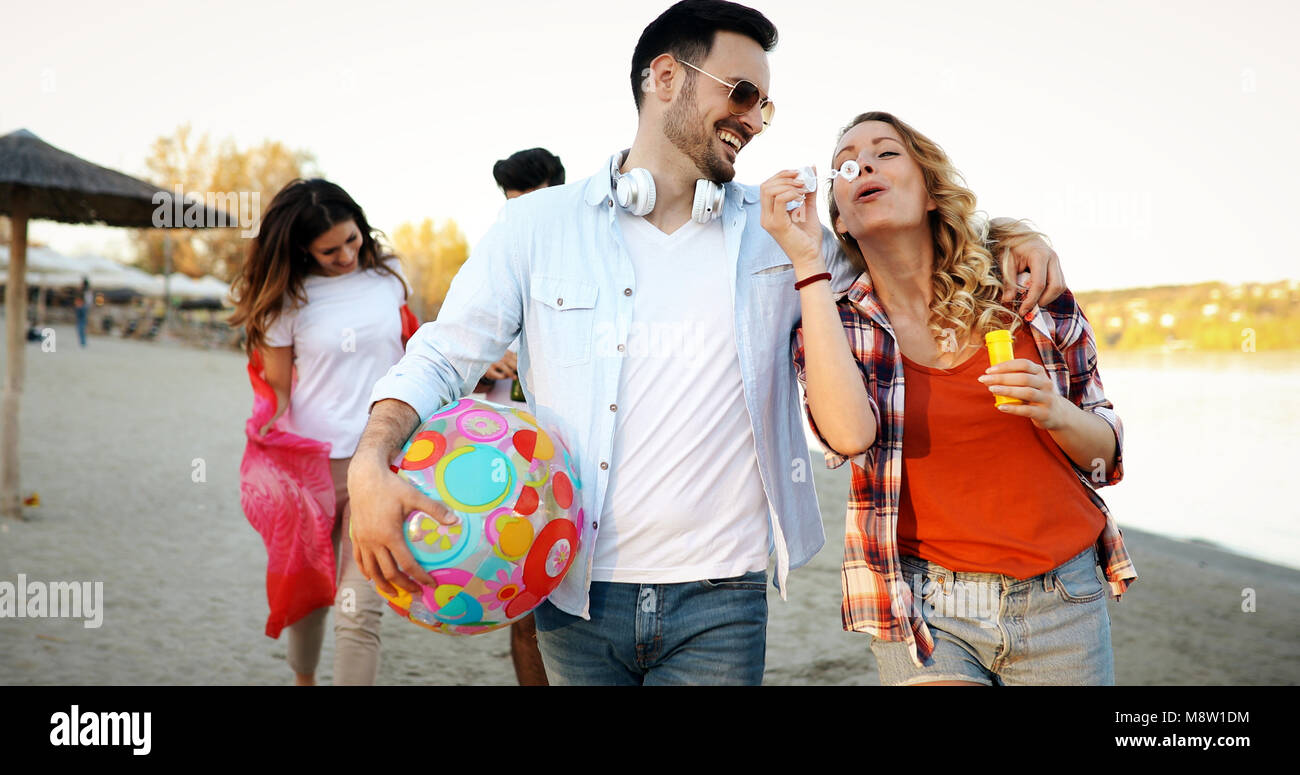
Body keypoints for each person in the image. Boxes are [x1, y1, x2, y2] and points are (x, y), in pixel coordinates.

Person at [347, 0, 1065, 686]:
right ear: (664, 78)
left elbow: (907, 250)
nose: (754, 120)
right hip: (574, 589)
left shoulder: (781, 230)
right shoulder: (536, 227)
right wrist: (370, 461)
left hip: (723, 597)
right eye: (743, 93)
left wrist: (1008, 236)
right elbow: (443, 355)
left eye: (764, 106)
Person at [760, 111, 1138, 685]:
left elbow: (1104, 459)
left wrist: (1056, 412)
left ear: (932, 192)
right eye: (847, 161)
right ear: (839, 216)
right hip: (929, 607)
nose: (863, 164)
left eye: (886, 152)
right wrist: (808, 262)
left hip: (1064, 598)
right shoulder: (836, 323)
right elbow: (849, 436)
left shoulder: (1025, 287)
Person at [229, 178, 417, 686]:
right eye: (329, 250)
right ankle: (304, 681)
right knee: (309, 593)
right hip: (310, 469)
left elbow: (412, 352)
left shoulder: (390, 277)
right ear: (301, 249)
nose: (346, 255)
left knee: (360, 608)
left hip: (380, 461)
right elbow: (279, 390)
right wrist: (265, 439)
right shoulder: (286, 302)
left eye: (352, 240)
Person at [477, 146, 567, 686]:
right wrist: (486, 362)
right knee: (524, 606)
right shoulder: (499, 257)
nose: (524, 217)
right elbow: (460, 352)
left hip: (578, 453)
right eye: (514, 206)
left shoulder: (597, 251)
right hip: (516, 458)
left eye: (532, 204)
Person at [74, 277, 91, 348]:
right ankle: (82, 342)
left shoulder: (82, 290)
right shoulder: (87, 291)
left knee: (80, 324)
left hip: (80, 307)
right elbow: (89, 301)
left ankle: (82, 342)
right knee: (82, 324)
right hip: (83, 307)